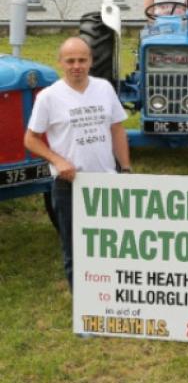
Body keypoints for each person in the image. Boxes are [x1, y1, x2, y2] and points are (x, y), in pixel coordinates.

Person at [24, 37, 131, 290]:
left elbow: (117, 129)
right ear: (60, 62)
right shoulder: (49, 97)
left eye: (82, 60)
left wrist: (125, 168)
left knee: (110, 243)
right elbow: (30, 139)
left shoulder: (104, 88)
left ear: (91, 61)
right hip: (69, 185)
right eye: (70, 60)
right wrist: (58, 160)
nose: (76, 66)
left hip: (106, 180)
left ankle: (110, 294)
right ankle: (83, 307)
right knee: (74, 247)